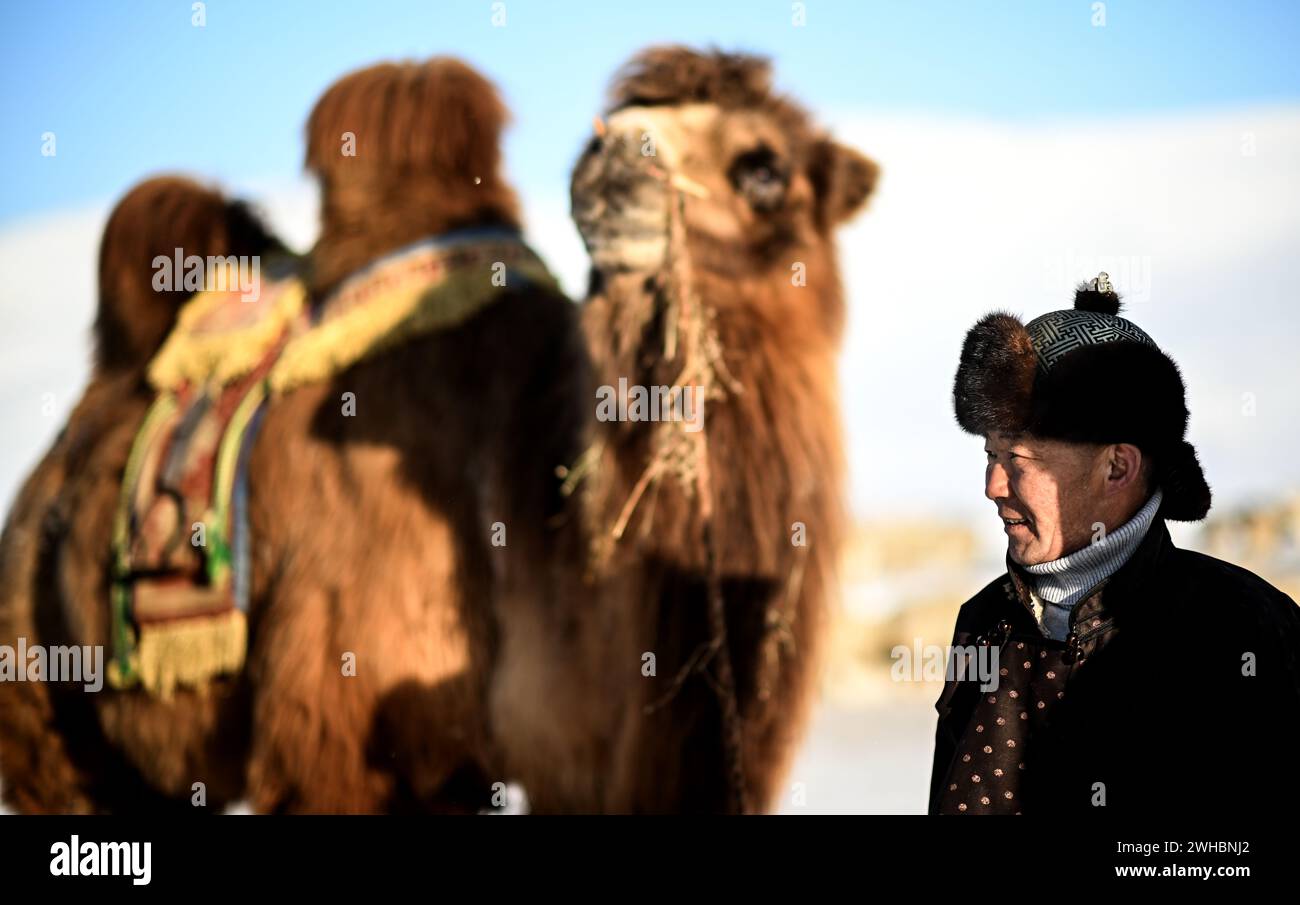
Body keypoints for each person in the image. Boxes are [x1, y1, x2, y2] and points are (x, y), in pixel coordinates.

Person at [929, 273, 1300, 814]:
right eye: (990, 455)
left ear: (1118, 466)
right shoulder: (981, 623)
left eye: (1020, 460)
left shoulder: (1245, 630)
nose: (992, 486)